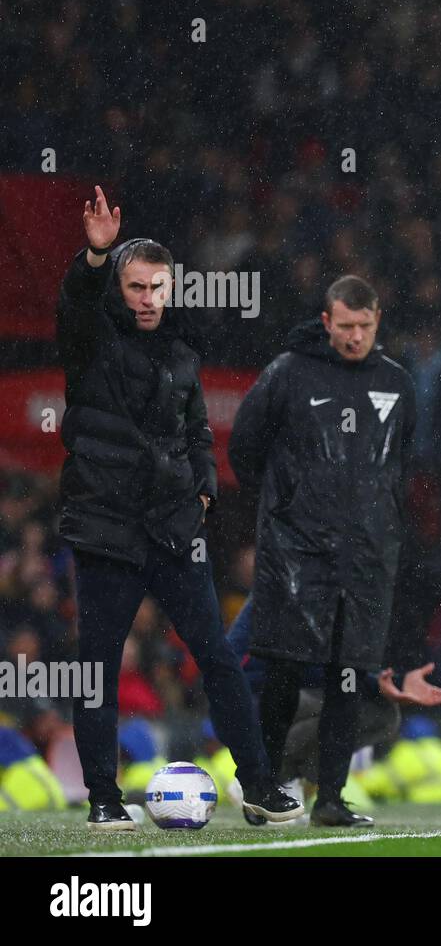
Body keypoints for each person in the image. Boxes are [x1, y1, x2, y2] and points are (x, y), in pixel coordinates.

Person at [57, 186, 301, 830]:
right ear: (120, 288)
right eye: (136, 287)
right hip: (106, 526)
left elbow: (197, 432)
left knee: (217, 657)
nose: (147, 298)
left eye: (156, 288)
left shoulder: (181, 351)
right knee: (97, 667)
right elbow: (77, 299)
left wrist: (205, 489)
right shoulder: (90, 336)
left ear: (171, 289)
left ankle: (260, 786)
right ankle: (103, 798)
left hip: (172, 527)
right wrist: (96, 254)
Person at [228, 274, 420, 827]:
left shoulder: (396, 383)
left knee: (348, 677)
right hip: (295, 555)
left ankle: (330, 799)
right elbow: (243, 448)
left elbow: (400, 463)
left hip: (365, 559)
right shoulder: (289, 373)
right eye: (345, 326)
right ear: (326, 321)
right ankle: (264, 788)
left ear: (377, 321)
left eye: (365, 326)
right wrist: (288, 508)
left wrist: (379, 523)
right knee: (284, 670)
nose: (355, 336)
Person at [225, 594, 441, 823]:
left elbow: (345, 671)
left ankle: (290, 778)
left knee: (381, 713)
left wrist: (391, 683)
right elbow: (234, 663)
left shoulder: (344, 600)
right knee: (302, 697)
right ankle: (261, 775)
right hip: (257, 698)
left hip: (305, 693)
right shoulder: (285, 590)